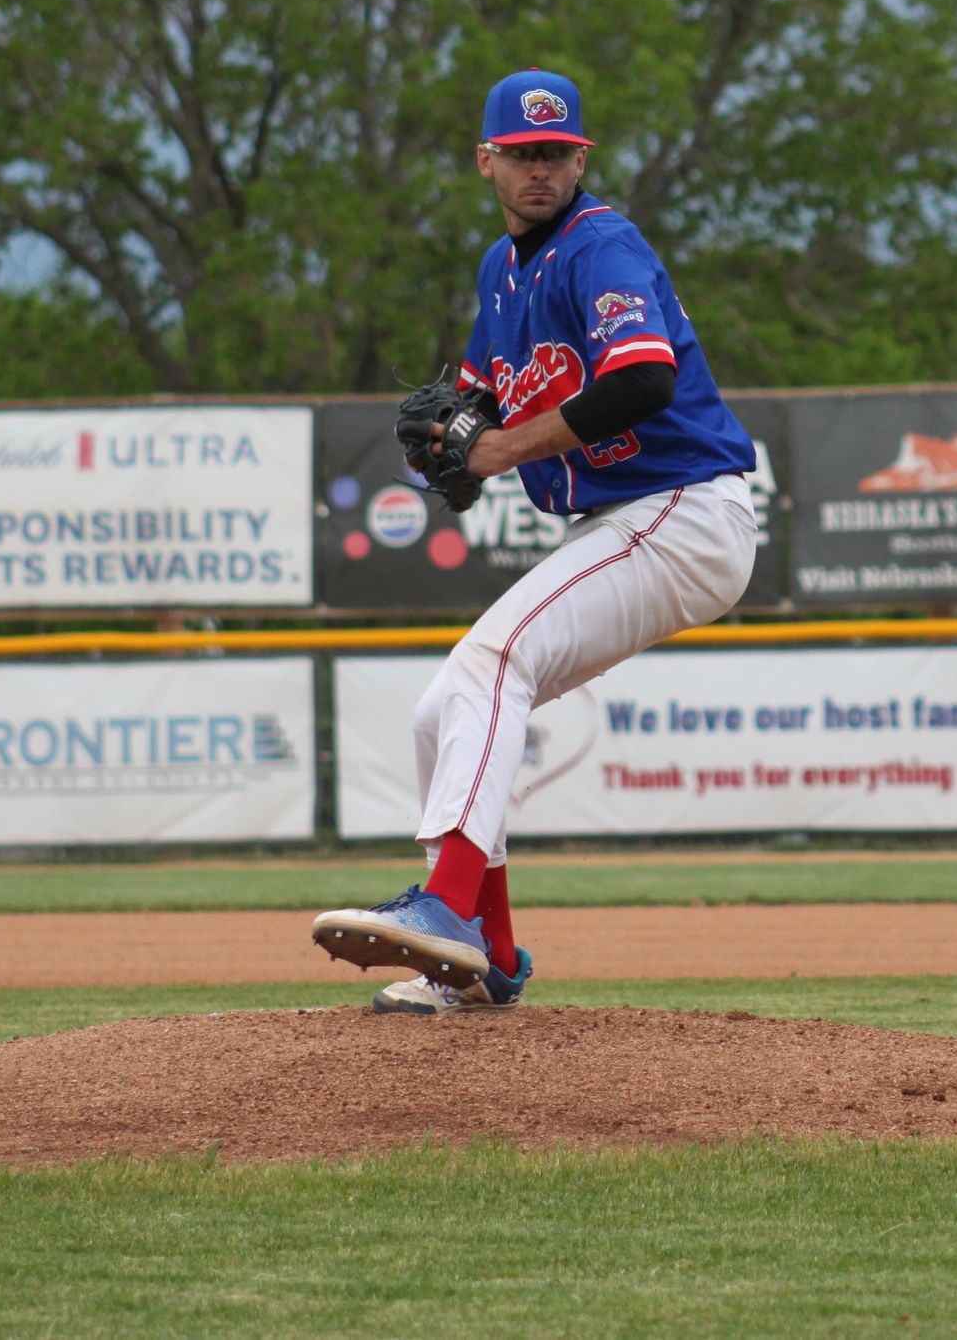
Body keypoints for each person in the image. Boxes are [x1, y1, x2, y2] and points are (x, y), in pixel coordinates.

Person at [314, 68, 758, 1013]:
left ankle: (445, 906)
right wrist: (461, 441)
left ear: (581, 158)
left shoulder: (603, 246)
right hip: (633, 517)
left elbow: (644, 383)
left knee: (493, 662)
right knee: (444, 707)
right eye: (521, 154)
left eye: (557, 154)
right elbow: (480, 393)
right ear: (487, 160)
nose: (539, 171)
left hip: (687, 508)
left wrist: (504, 446)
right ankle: (490, 954)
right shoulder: (500, 269)